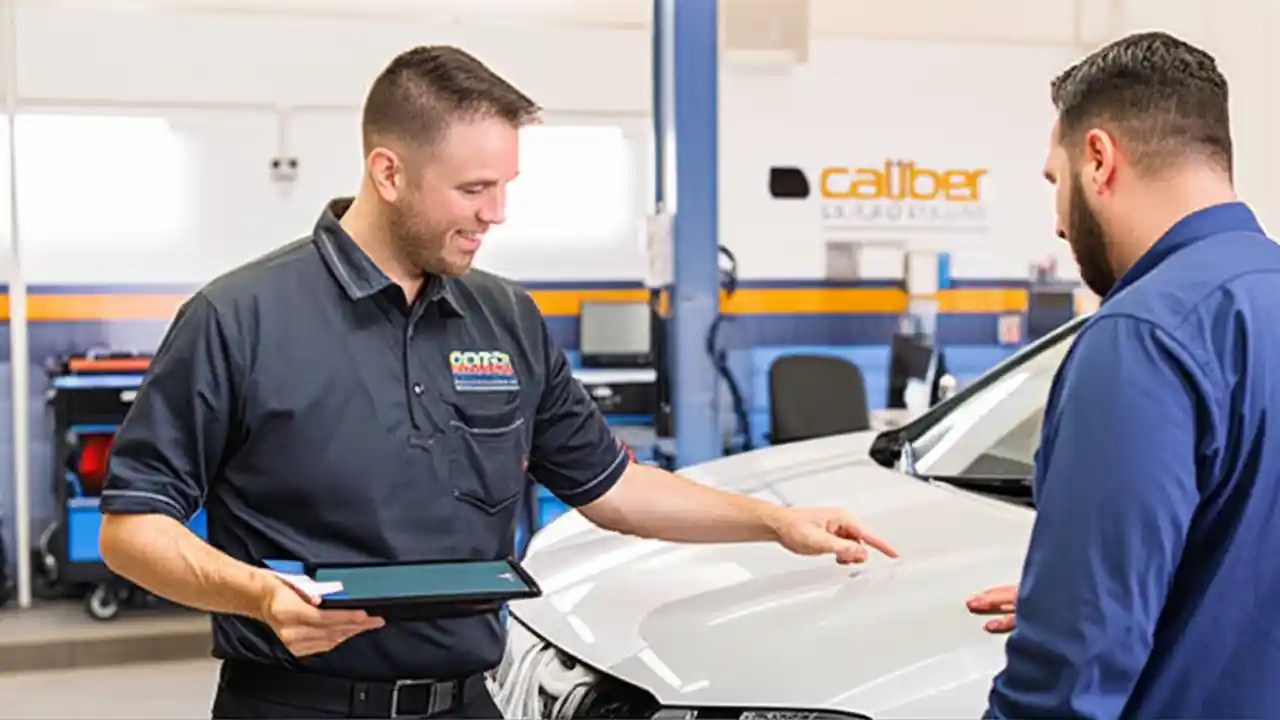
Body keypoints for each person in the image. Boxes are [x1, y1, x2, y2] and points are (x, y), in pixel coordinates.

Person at [96, 45, 898, 719]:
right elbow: (132, 530)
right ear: (388, 172)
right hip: (296, 704)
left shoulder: (504, 317)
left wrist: (774, 522)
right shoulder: (239, 318)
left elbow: (612, 488)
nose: (498, 213)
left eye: (506, 185)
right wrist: (254, 594)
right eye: (475, 189)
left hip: (471, 701)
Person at [974, 31, 1280, 718]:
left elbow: (1068, 680)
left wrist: (1087, 602)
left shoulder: (1143, 335)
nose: (1057, 221)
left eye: (1054, 182)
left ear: (1099, 159)